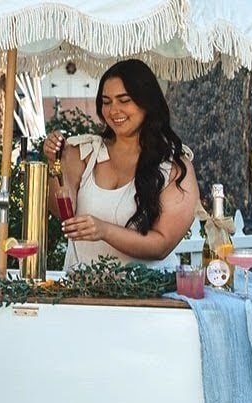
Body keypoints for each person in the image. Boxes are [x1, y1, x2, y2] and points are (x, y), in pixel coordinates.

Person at [43, 59, 199, 271]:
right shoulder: (84, 152)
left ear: (147, 102)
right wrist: (54, 163)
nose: (113, 110)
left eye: (123, 100)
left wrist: (104, 231)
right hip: (82, 295)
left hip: (148, 296)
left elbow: (161, 245)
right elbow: (64, 213)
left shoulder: (175, 166)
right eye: (106, 102)